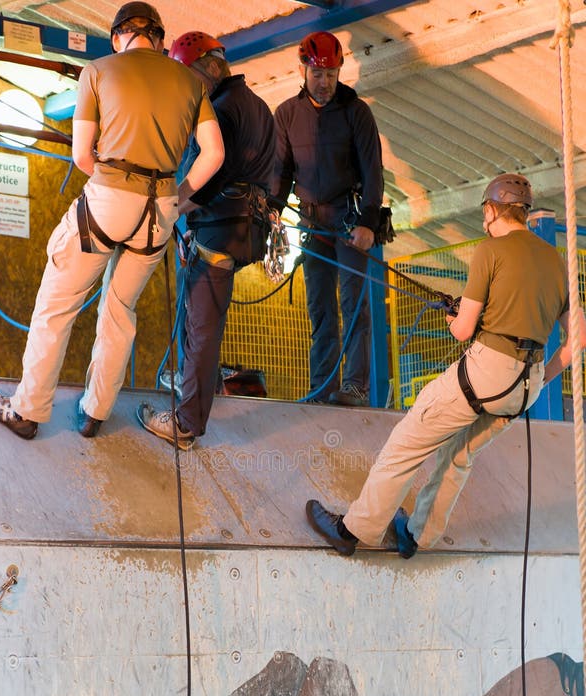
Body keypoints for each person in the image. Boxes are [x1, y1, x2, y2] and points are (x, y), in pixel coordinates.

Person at [306, 173, 586, 557]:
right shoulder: (556, 260)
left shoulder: (491, 250)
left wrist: (455, 319)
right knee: (460, 455)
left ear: (491, 210)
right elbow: (578, 340)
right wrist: (539, 379)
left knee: (405, 444)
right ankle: (417, 536)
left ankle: (353, 530)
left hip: (484, 375)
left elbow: (464, 330)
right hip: (526, 387)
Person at [0, 3, 224, 440]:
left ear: (118, 36)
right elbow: (215, 154)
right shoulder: (191, 81)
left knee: (57, 304)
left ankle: (28, 410)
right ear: (158, 37)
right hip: (160, 214)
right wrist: (179, 194)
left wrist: (114, 182)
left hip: (107, 200)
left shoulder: (97, 70)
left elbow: (82, 156)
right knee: (119, 310)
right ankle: (95, 413)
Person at [136, 31, 276, 450]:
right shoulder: (258, 106)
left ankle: (186, 424)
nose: (186, 86)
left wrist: (175, 211)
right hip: (242, 231)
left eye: (189, 75)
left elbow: (210, 180)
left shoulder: (221, 110)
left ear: (211, 67)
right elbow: (267, 177)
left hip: (218, 229)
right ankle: (193, 384)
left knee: (202, 326)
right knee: (202, 320)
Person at [270, 31, 383, 407]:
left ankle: (355, 386)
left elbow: (373, 172)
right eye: (318, 75)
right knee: (320, 307)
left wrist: (367, 222)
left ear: (339, 71)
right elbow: (281, 172)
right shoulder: (286, 114)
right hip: (311, 223)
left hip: (350, 220)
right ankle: (322, 387)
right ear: (303, 70)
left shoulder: (356, 112)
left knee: (354, 304)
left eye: (331, 75)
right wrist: (272, 210)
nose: (325, 83)